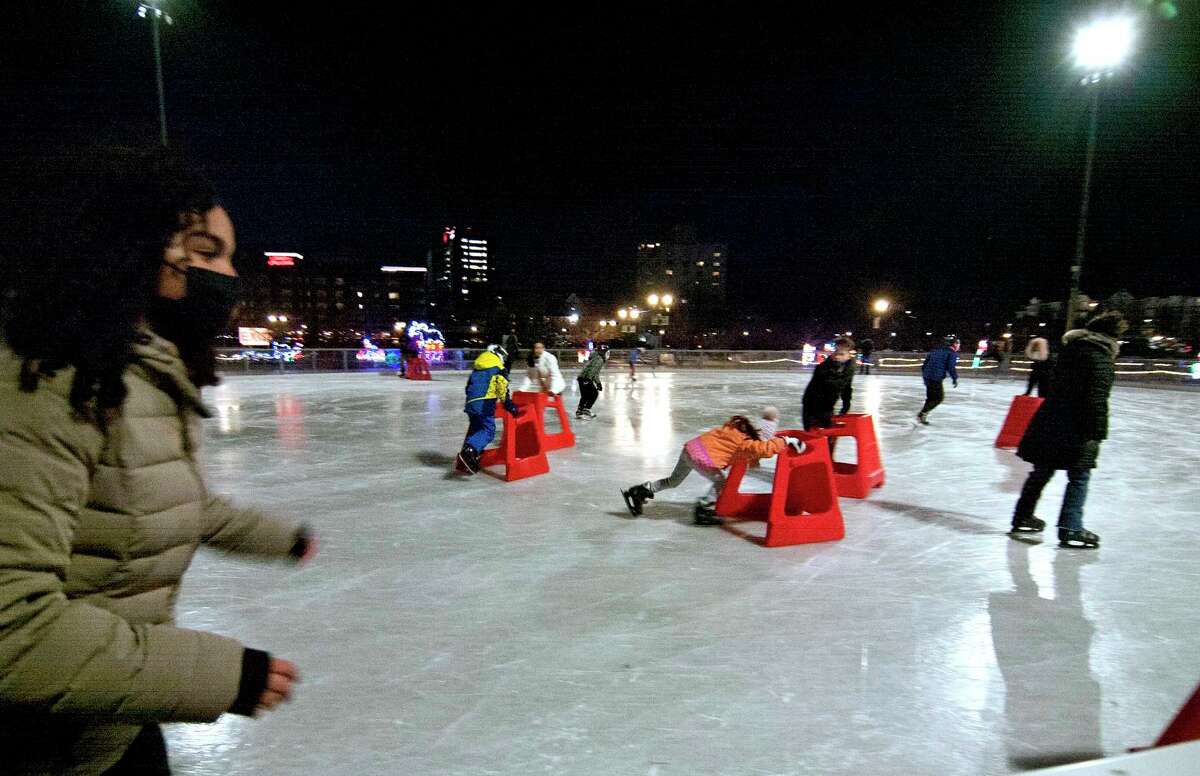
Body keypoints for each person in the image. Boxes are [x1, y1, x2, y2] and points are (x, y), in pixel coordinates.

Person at [0, 148, 312, 775]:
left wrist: (281, 538)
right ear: (136, 244)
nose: (225, 275)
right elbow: (10, 627)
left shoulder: (134, 372)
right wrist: (224, 675)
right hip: (39, 748)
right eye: (206, 251)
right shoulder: (48, 378)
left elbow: (163, 499)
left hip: (109, 720)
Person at [1009, 312, 1125, 549]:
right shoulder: (1100, 357)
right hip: (1078, 426)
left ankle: (1022, 517)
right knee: (1079, 475)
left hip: (1051, 420)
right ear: (1111, 336)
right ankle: (1071, 527)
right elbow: (1097, 398)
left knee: (1041, 471)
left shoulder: (1069, 351)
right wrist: (1097, 432)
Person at [621, 416, 804, 524]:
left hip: (689, 450)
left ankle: (639, 491)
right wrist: (787, 441)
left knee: (673, 481)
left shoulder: (729, 429)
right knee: (721, 481)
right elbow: (763, 449)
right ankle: (703, 509)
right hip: (700, 458)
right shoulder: (744, 442)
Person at [456, 344, 520, 474]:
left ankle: (468, 457)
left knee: (476, 429)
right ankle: (470, 450)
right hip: (484, 404)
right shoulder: (498, 368)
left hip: (470, 403)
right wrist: (509, 405)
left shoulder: (478, 367)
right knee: (488, 431)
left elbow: (468, 387)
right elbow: (502, 389)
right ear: (499, 354)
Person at [802, 337, 857, 431]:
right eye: (836, 351)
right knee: (813, 435)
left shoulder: (849, 368)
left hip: (828, 405)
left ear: (849, 355)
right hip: (812, 404)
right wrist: (835, 368)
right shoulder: (823, 368)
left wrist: (846, 405)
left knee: (829, 435)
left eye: (841, 353)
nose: (837, 356)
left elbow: (847, 387)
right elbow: (829, 385)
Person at [918, 335, 960, 425]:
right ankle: (922, 414)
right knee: (938, 398)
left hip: (927, 376)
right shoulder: (951, 353)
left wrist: (926, 375)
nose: (958, 345)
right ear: (954, 344)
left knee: (931, 398)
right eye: (957, 343)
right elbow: (951, 367)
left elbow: (924, 364)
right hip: (935, 377)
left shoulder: (936, 350)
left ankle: (922, 415)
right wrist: (955, 378)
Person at [576, 344, 609, 419]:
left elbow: (595, 373)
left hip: (582, 378)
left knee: (585, 396)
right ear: (602, 352)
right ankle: (586, 409)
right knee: (594, 394)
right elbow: (591, 371)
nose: (607, 354)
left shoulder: (596, 357)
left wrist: (598, 383)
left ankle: (579, 411)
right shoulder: (599, 359)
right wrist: (587, 380)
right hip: (585, 378)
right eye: (606, 352)